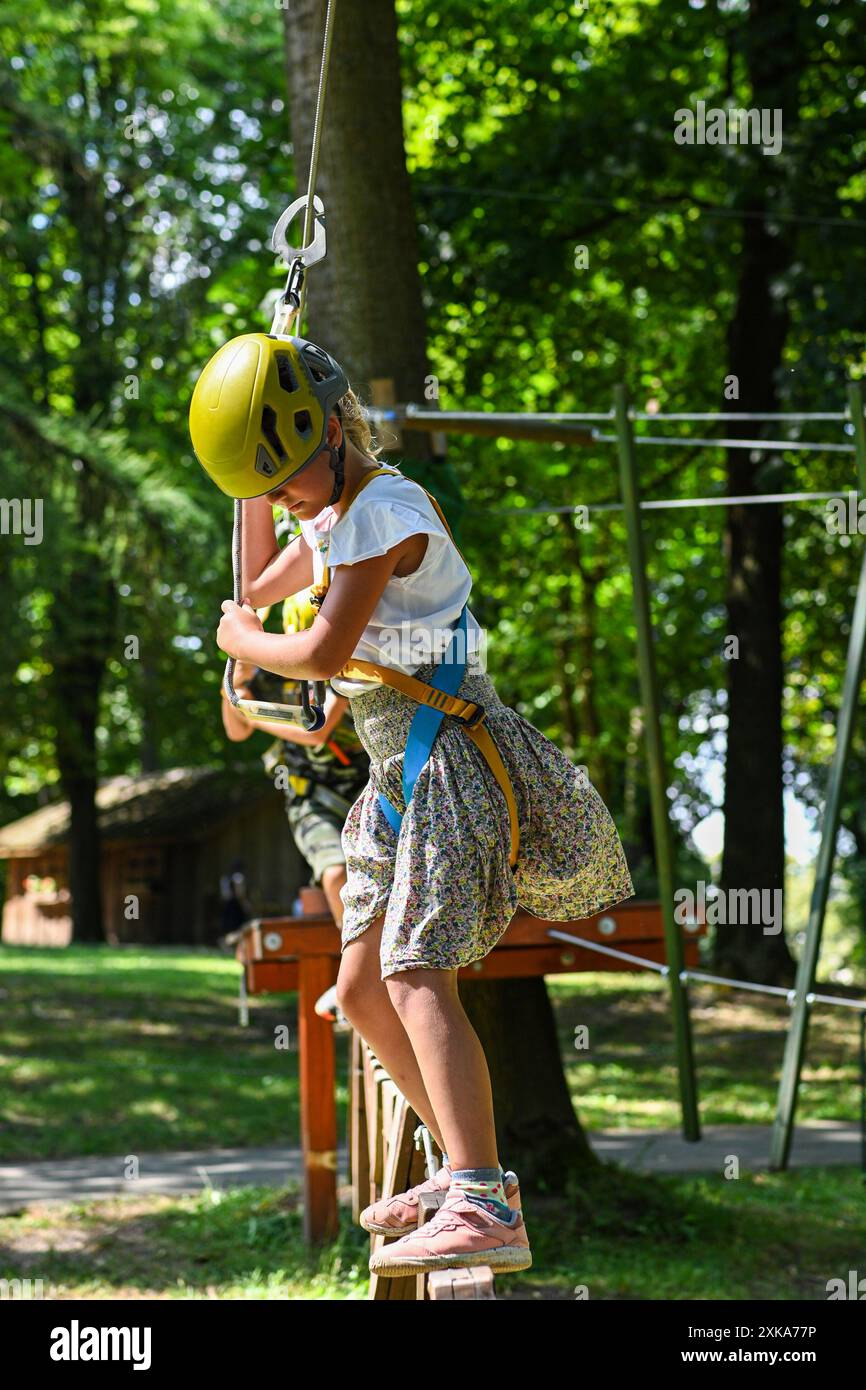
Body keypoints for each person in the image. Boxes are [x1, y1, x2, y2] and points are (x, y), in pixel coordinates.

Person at [190, 332, 634, 1277]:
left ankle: (480, 1199)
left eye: (282, 481)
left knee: (415, 973)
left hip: (449, 767)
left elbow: (307, 649)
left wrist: (240, 638)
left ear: (329, 437)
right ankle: (477, 1177)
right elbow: (264, 575)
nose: (277, 502)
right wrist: (251, 531)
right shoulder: (327, 515)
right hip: (396, 779)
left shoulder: (384, 513)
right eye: (262, 489)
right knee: (358, 991)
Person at [220, 589, 370, 929]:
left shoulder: (348, 665)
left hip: (366, 787)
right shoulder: (268, 672)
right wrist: (232, 688)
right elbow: (235, 732)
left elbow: (316, 731)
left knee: (382, 873)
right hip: (311, 794)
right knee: (334, 872)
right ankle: (358, 957)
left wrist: (249, 713)